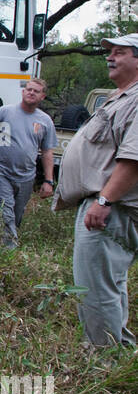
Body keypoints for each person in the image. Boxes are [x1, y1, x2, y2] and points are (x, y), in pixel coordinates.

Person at [55, 35, 138, 348]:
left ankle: (102, 359)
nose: (110, 57)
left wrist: (104, 200)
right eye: (110, 53)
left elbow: (133, 158)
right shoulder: (121, 97)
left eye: (120, 52)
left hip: (111, 208)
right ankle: (121, 349)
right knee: (111, 284)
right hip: (106, 207)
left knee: (95, 289)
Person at [0, 78, 57, 247]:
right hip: (0, 171)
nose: (31, 92)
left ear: (42, 96)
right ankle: (9, 253)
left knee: (16, 215)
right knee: (5, 212)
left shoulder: (45, 121)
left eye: (36, 91)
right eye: (29, 89)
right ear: (23, 92)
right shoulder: (4, 112)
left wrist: (49, 180)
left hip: (26, 176)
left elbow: (47, 152)